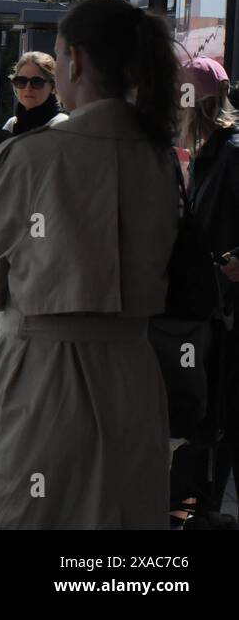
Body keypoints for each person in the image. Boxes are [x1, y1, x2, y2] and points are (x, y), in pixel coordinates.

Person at [0, 0, 180, 529]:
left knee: (16, 511)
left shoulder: (31, 156)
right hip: (134, 374)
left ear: (74, 61)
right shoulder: (159, 157)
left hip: (43, 375)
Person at [169, 56, 239, 525]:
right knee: (211, 415)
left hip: (228, 311)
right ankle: (201, 508)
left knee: (223, 417)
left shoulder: (231, 153)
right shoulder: (212, 152)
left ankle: (207, 510)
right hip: (212, 309)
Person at [1, 52, 68, 135]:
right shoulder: (11, 125)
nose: (28, 88)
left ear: (53, 86)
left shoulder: (62, 125)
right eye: (21, 81)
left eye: (37, 82)